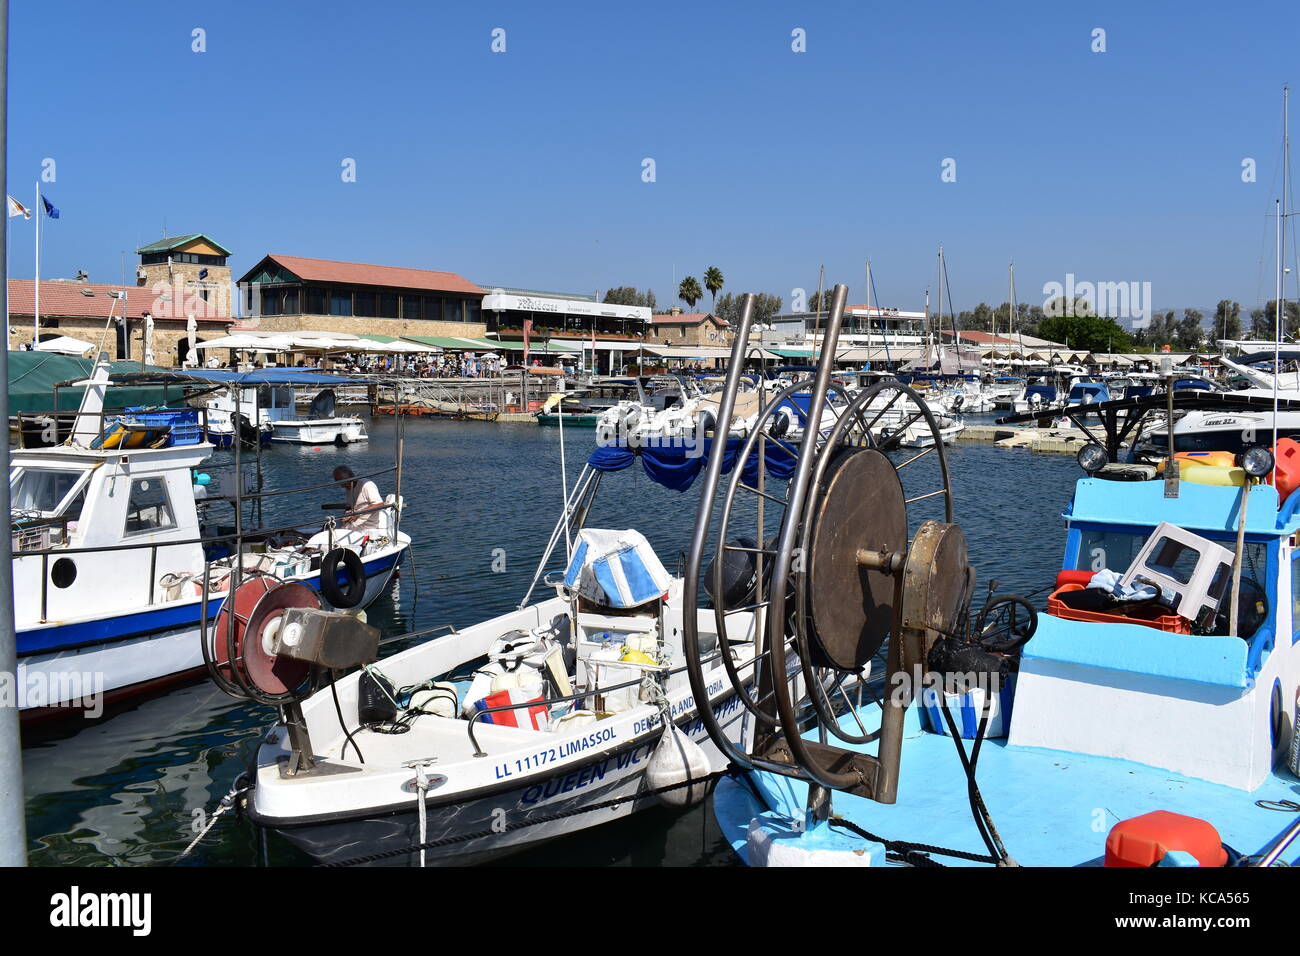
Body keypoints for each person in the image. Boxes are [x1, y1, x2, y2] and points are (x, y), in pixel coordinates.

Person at [331, 465, 384, 532]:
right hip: (354, 522)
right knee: (329, 526)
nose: (342, 486)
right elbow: (352, 507)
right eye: (340, 483)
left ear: (350, 477)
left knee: (334, 533)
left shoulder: (366, 485)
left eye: (343, 483)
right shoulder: (349, 487)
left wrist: (358, 513)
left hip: (366, 524)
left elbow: (380, 504)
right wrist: (348, 514)